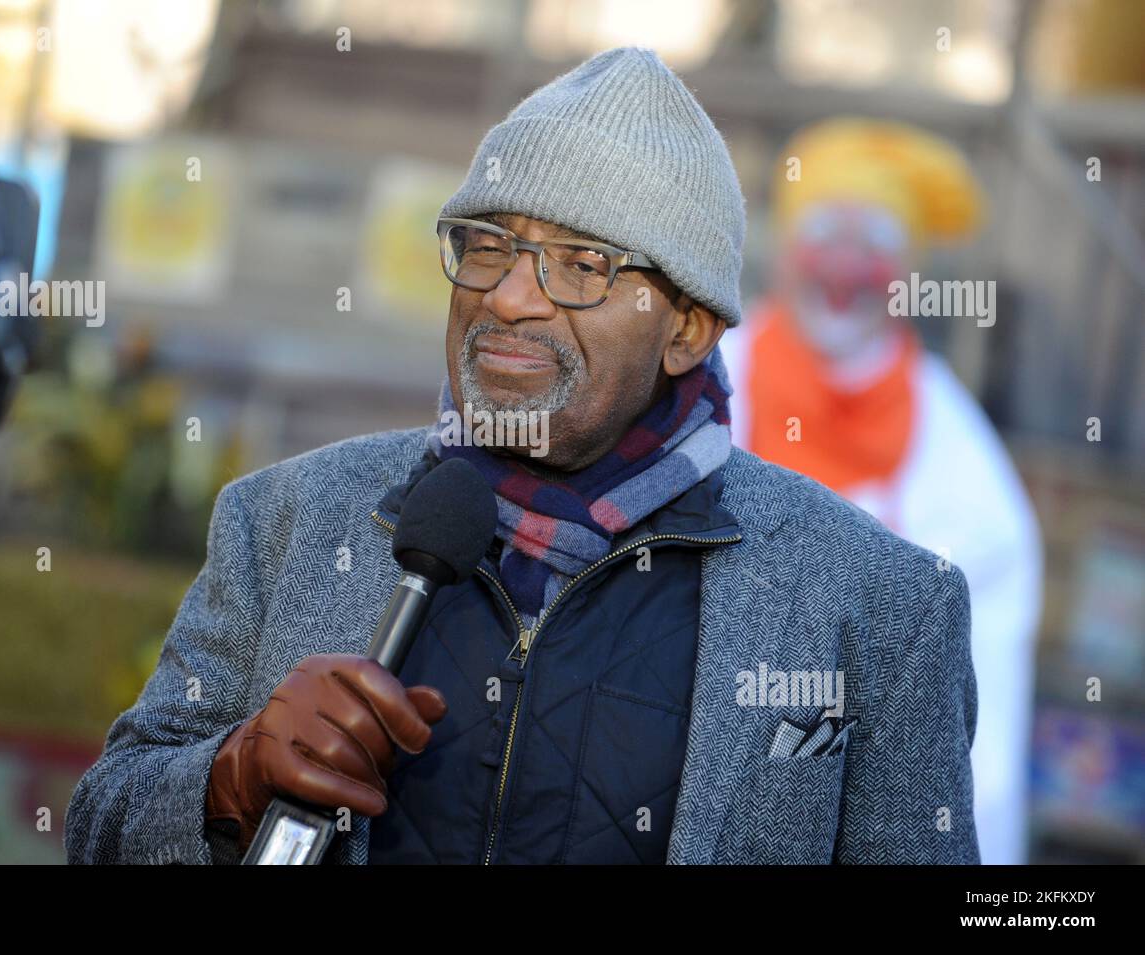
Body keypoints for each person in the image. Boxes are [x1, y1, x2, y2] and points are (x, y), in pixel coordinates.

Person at [65, 48, 980, 865]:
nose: (507, 298)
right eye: (488, 245)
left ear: (686, 329)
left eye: (582, 264)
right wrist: (228, 782)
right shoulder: (288, 520)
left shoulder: (878, 607)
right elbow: (101, 824)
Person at [720, 119, 1042, 864]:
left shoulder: (958, 450)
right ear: (784, 247)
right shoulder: (707, 385)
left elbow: (980, 716)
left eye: (875, 247)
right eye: (827, 232)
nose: (846, 266)